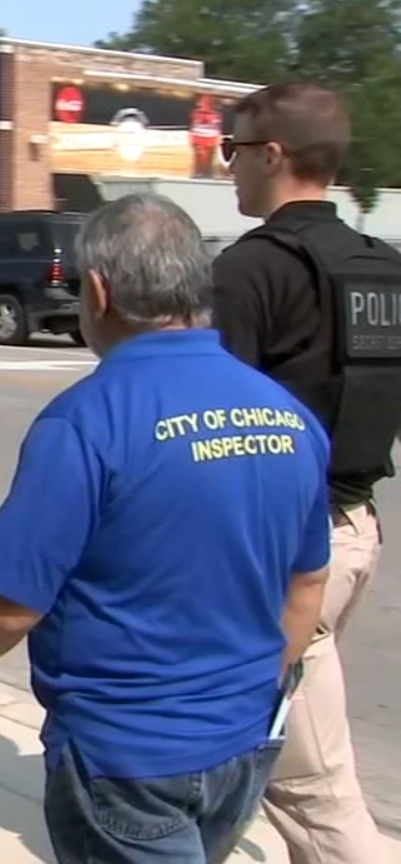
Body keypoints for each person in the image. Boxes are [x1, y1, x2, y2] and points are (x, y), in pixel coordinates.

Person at [0, 193, 331, 864]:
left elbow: (6, 609)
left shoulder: (86, 422)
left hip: (126, 760)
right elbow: (307, 585)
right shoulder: (287, 415)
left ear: (98, 292)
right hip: (244, 743)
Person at [212, 82, 398, 864]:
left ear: (274, 155)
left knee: (314, 794)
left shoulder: (248, 271)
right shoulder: (383, 266)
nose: (227, 168)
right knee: (283, 752)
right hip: (357, 533)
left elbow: (206, 429)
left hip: (282, 555)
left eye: (234, 150)